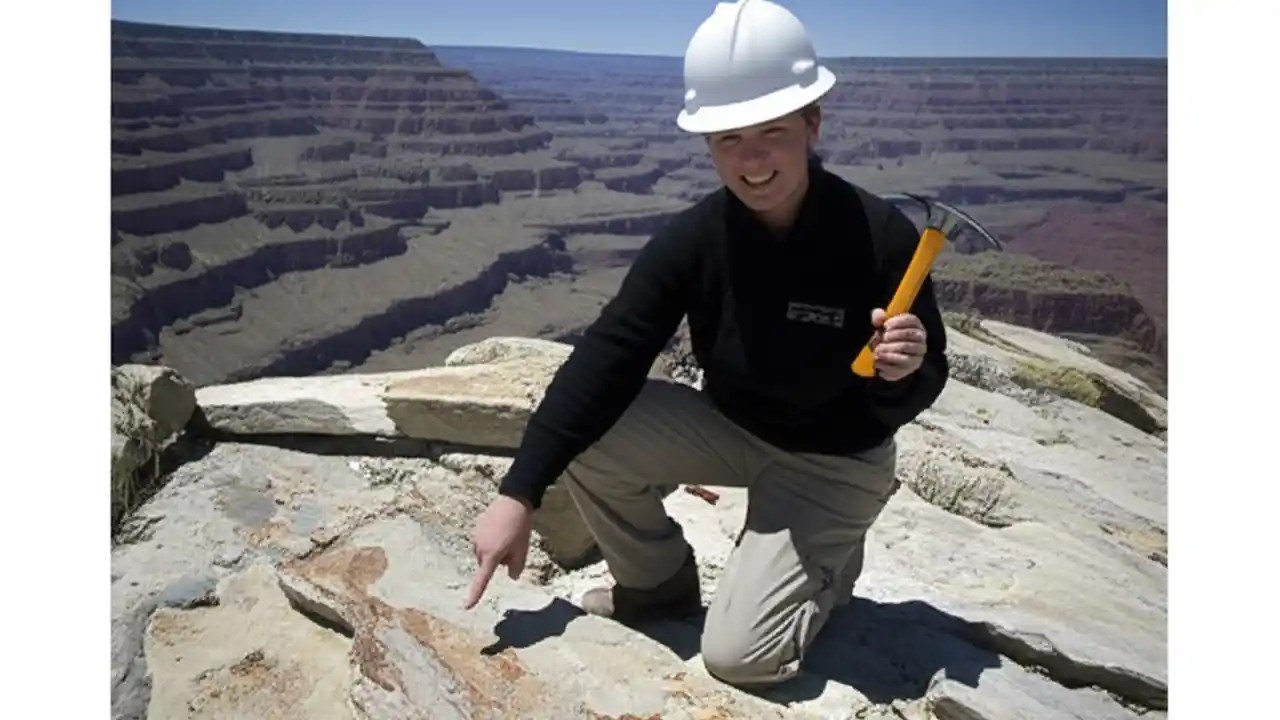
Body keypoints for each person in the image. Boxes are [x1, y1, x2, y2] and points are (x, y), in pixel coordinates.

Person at [465, 0, 948, 689]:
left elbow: (928, 379)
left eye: (772, 132)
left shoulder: (882, 237)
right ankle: (657, 587)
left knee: (738, 658)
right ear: (706, 143)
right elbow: (609, 354)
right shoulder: (696, 240)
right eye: (728, 138)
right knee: (587, 432)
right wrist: (520, 492)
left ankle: (830, 573)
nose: (751, 161)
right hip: (731, 427)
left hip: (835, 461)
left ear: (814, 123)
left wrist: (903, 371)